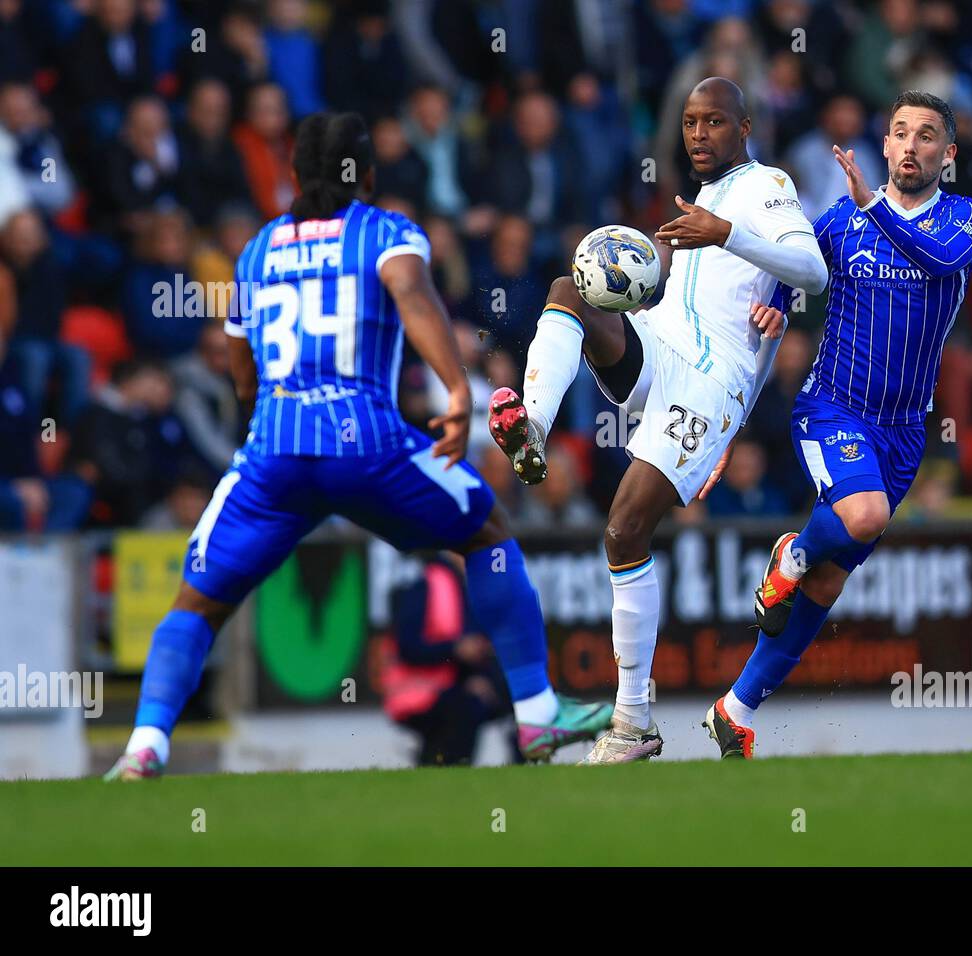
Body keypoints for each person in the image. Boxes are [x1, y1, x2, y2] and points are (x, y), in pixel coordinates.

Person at [105, 112, 612, 781]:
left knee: (195, 604)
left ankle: (145, 746)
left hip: (274, 456)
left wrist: (271, 426)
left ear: (293, 175)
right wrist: (456, 390)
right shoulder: (385, 232)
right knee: (487, 530)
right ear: (367, 176)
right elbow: (413, 294)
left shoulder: (257, 250)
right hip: (367, 445)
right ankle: (539, 710)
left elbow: (241, 367)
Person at [488, 77, 827, 762]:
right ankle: (533, 430)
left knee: (623, 527)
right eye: (691, 123)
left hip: (710, 386)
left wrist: (729, 237)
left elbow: (813, 268)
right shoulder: (699, 198)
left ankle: (634, 721)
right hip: (662, 351)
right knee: (568, 290)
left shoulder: (767, 187)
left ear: (745, 126)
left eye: (715, 122)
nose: (699, 134)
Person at [709, 90, 972, 758]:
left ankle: (734, 708)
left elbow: (939, 262)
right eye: (899, 133)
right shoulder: (842, 219)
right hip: (833, 407)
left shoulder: (963, 219)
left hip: (904, 431)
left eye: (927, 136)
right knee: (861, 519)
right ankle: (791, 552)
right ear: (884, 146)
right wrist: (778, 302)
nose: (911, 145)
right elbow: (797, 265)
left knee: (829, 583)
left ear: (947, 155)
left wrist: (872, 207)